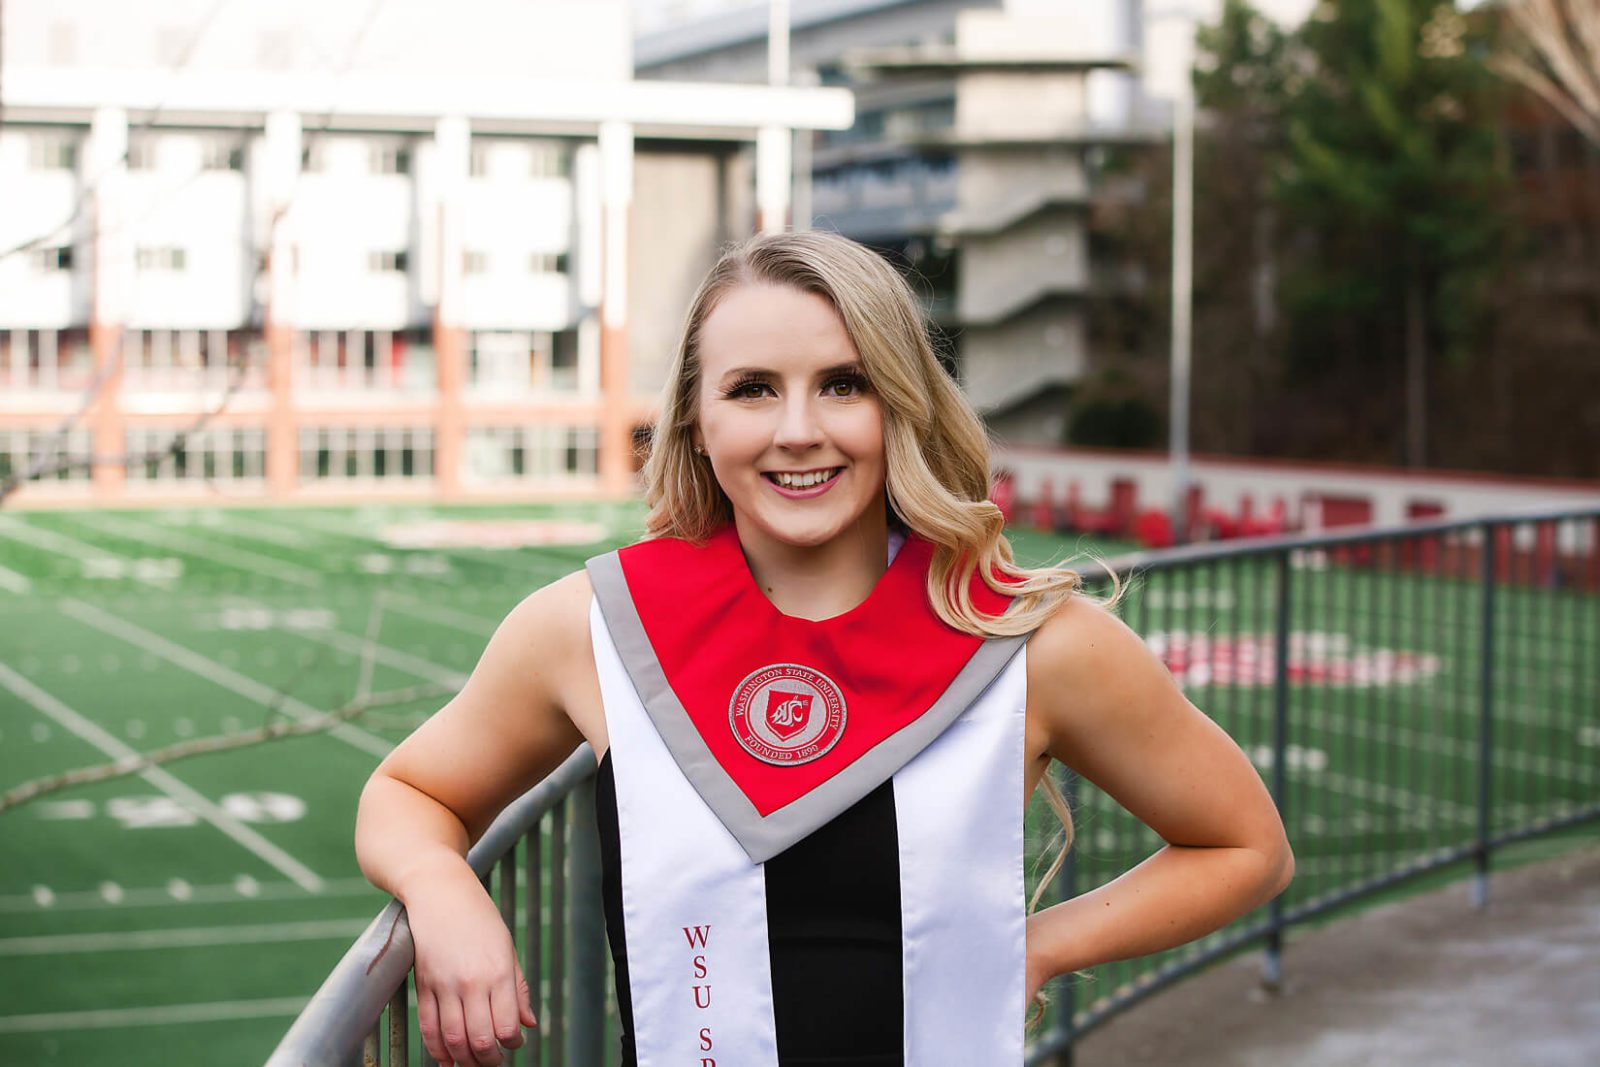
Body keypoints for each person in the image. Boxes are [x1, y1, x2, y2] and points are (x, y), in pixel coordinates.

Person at [354, 230, 1295, 1067]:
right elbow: (409, 792)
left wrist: (1037, 945)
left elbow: (1246, 846)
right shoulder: (592, 628)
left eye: (844, 384)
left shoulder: (1027, 641)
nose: (798, 430)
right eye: (752, 389)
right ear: (696, 421)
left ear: (902, 404)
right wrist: (444, 890)